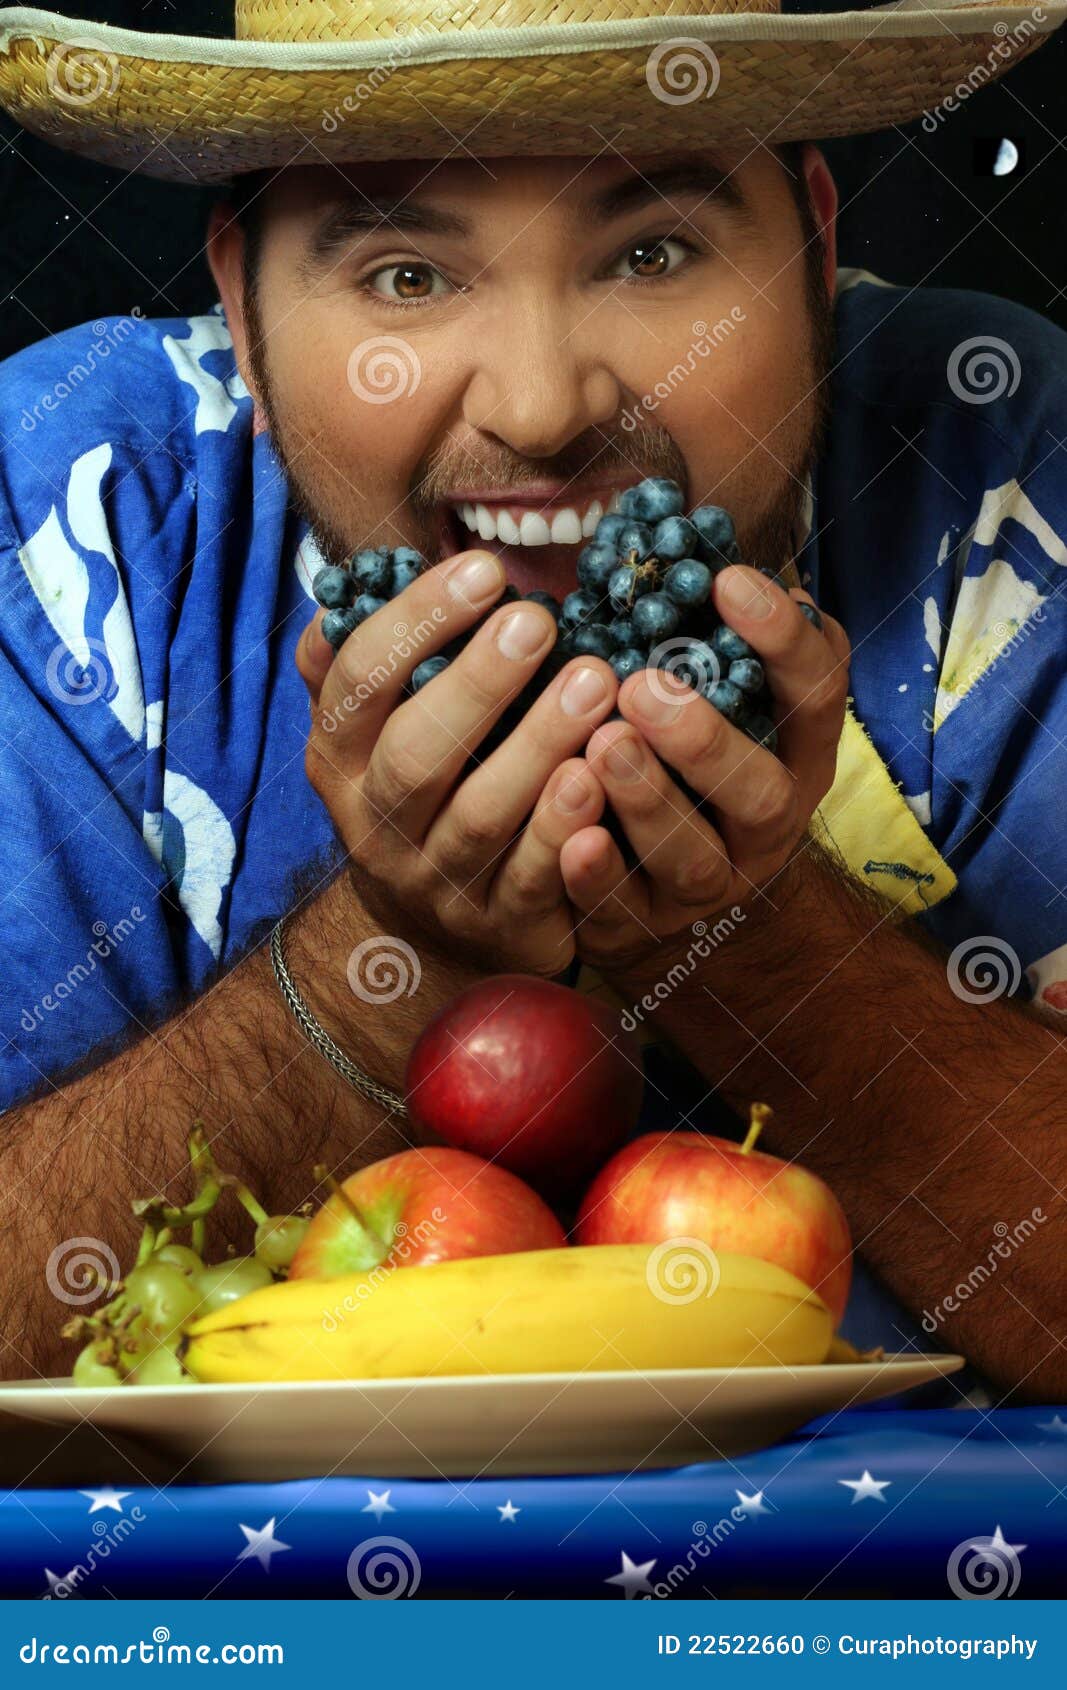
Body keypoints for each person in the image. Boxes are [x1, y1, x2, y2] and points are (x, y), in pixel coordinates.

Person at [0, 2, 1065, 1393]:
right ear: (241, 313)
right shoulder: (84, 521)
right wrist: (389, 956)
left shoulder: (1010, 482)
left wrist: (750, 940)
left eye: (653, 251)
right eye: (402, 275)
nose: (543, 407)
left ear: (813, 252)